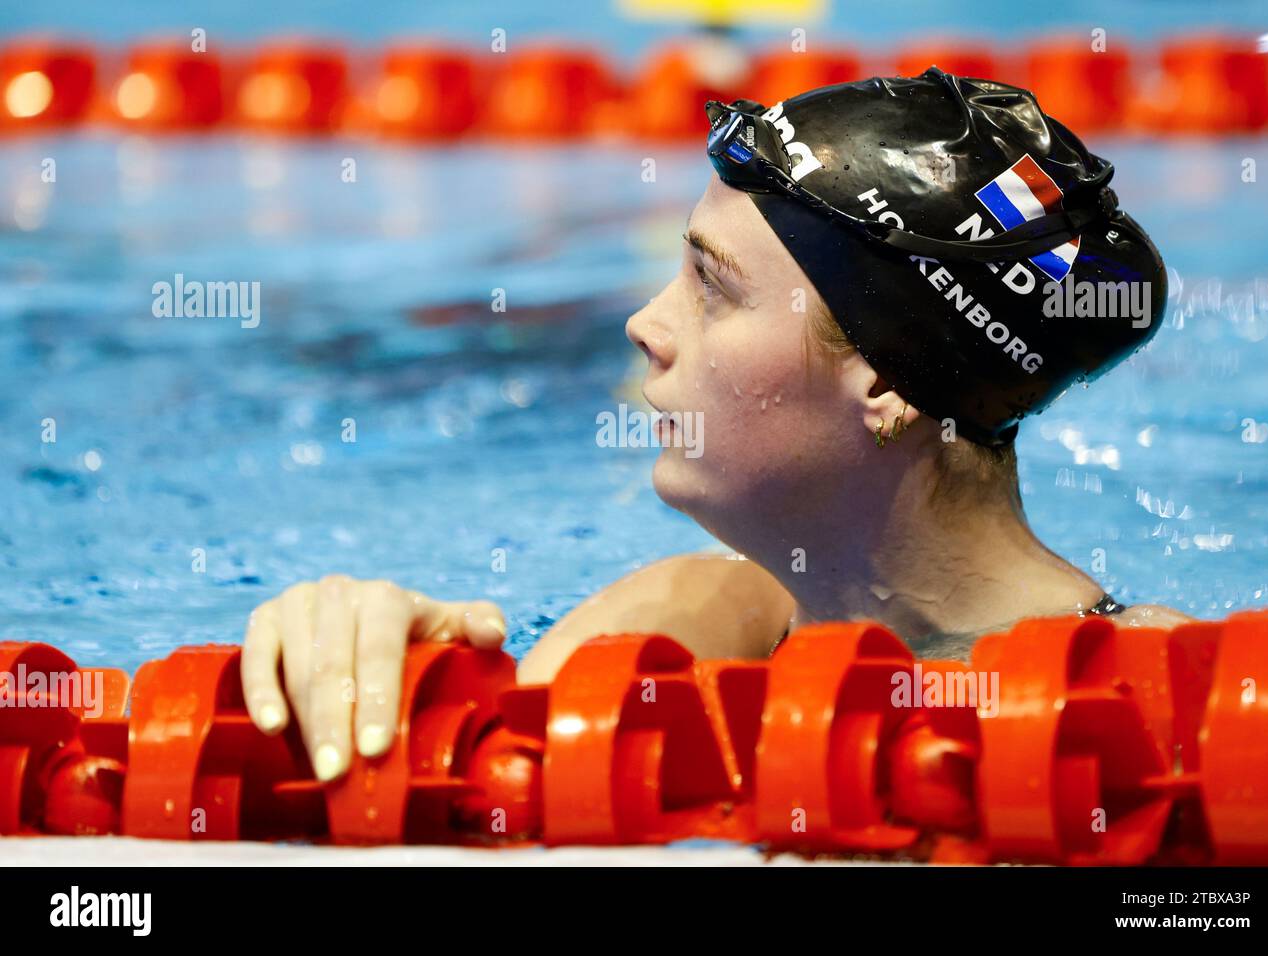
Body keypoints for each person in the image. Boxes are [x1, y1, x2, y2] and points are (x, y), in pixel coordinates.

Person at [240, 68, 1193, 782]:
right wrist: (407, 686)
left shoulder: (1158, 701)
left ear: (888, 385)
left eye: (712, 288)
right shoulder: (691, 624)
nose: (645, 326)